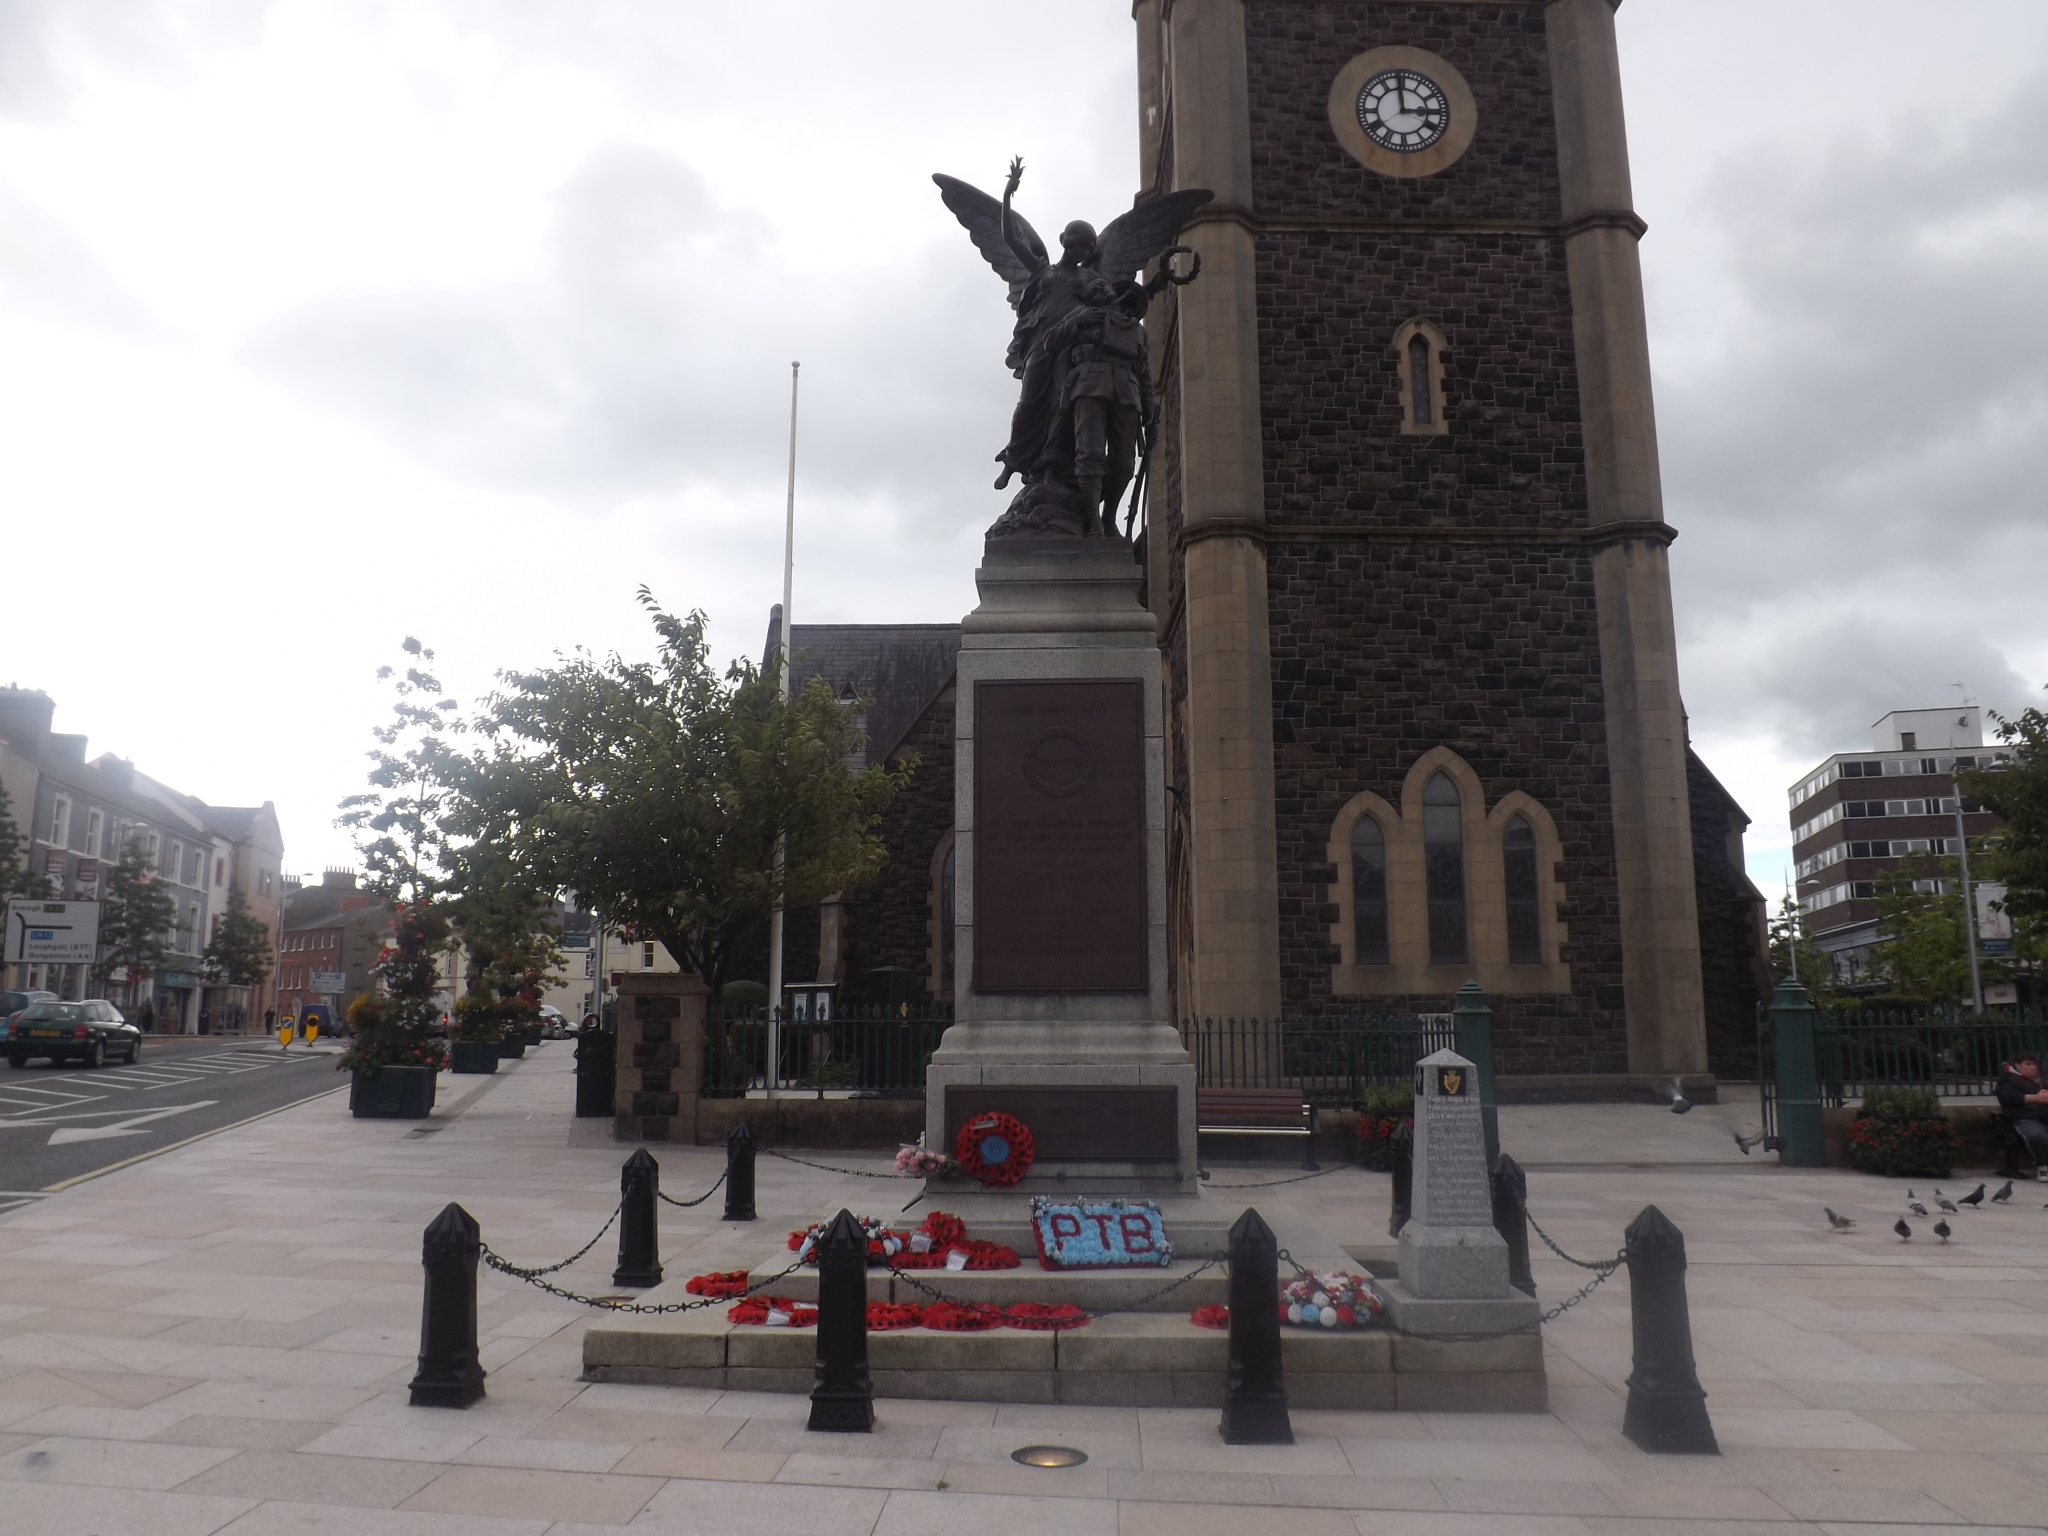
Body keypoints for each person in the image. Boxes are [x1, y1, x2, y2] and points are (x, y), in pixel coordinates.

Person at [1995, 1052, 2048, 1176]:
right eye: (2027, 1064)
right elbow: (2009, 1097)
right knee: (2036, 1135)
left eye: (2034, 1064)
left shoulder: (2041, 1079)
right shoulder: (2008, 1079)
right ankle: (2043, 1167)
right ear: (2017, 1066)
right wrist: (2036, 1098)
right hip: (2024, 1118)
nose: (2032, 1067)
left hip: (2043, 1117)